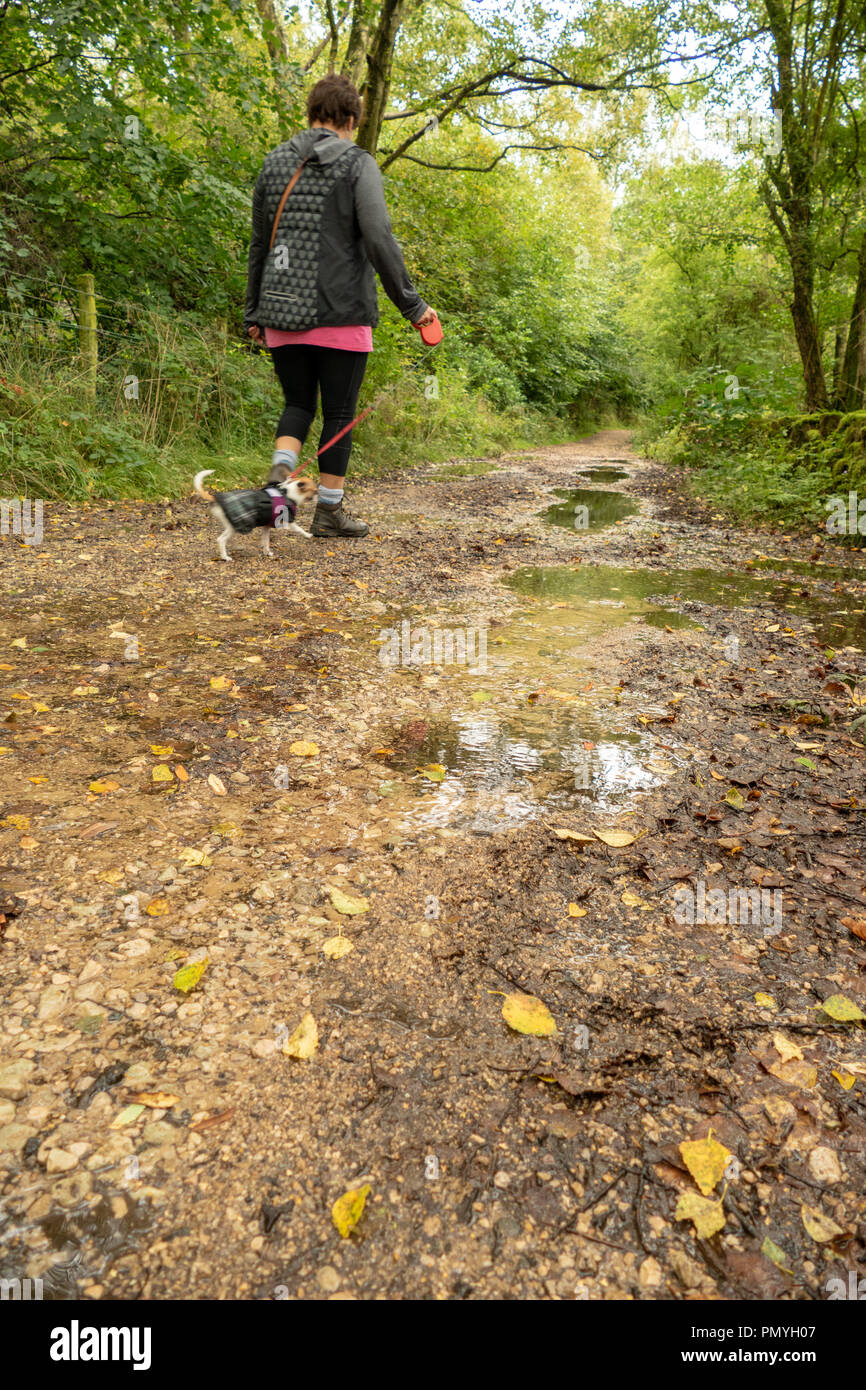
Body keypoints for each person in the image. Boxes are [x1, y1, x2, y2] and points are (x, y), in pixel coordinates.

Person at [244, 73, 436, 538]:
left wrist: (253, 311)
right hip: (342, 315)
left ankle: (279, 480)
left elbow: (257, 245)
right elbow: (378, 238)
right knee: (337, 415)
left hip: (281, 314)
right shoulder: (357, 164)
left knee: (296, 404)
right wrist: (414, 307)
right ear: (351, 119)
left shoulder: (274, 164)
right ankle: (328, 513)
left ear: (311, 114)